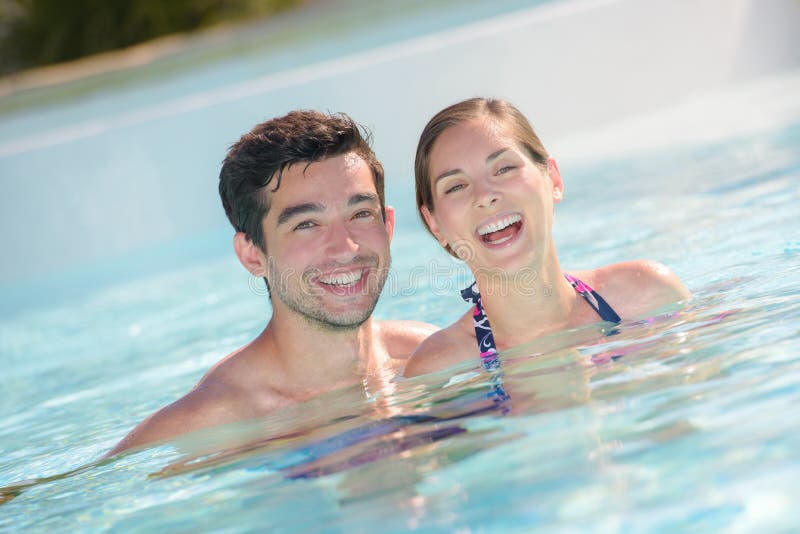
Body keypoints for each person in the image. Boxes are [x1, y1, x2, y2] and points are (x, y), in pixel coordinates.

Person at [107, 110, 436, 456]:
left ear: (388, 226)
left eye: (360, 214)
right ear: (252, 255)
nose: (345, 247)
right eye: (307, 224)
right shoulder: (207, 426)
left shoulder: (427, 357)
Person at [404, 98, 690, 377]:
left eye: (504, 168)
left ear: (553, 179)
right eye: (455, 186)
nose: (485, 196)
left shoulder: (646, 295)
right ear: (435, 224)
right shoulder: (440, 370)